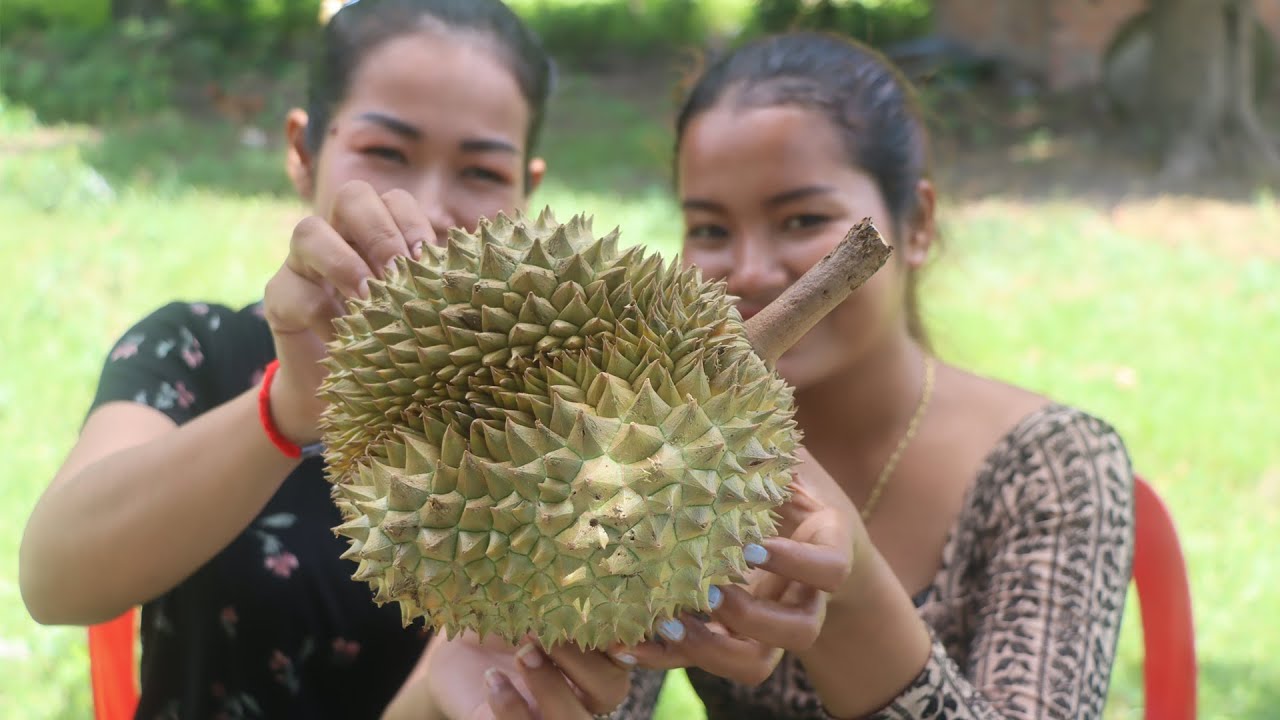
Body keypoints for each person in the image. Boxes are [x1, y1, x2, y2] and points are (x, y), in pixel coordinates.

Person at [400, 30, 1136, 720]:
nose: (749, 271)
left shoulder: (1056, 465)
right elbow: (598, 683)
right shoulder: (657, 443)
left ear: (915, 224)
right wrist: (521, 664)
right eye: (711, 229)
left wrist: (856, 599)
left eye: (802, 220)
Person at [15, 1, 599, 717]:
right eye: (387, 152)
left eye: (481, 171)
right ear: (303, 151)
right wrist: (288, 407)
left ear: (526, 191)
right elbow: (53, 581)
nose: (429, 206)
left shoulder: (568, 419)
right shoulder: (195, 347)